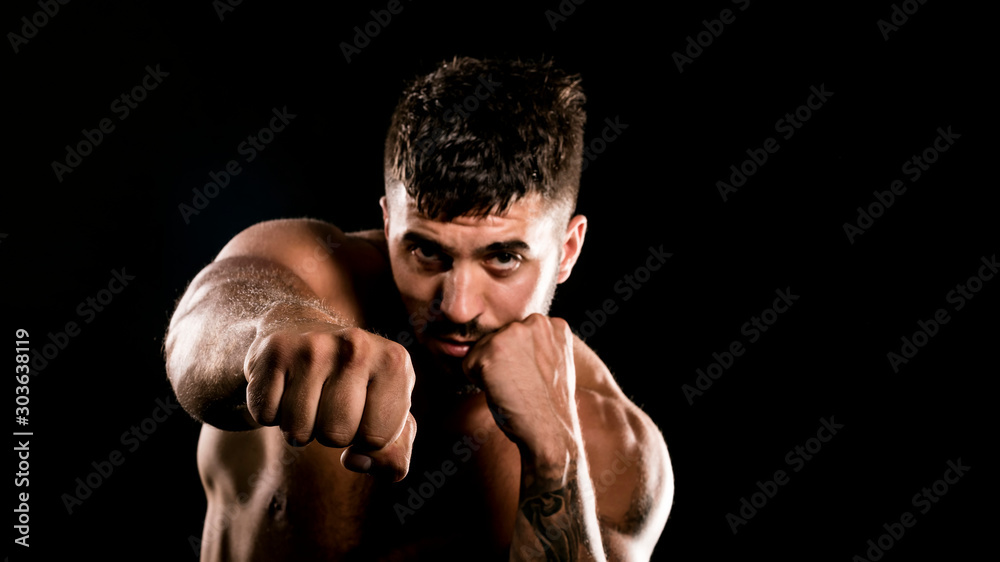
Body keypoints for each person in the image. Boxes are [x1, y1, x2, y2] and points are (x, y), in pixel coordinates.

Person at [165, 56, 673, 561]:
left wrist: (554, 454)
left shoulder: (613, 448)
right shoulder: (313, 277)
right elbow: (199, 332)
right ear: (388, 225)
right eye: (427, 251)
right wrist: (280, 330)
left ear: (567, 250)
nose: (457, 307)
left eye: (503, 258)